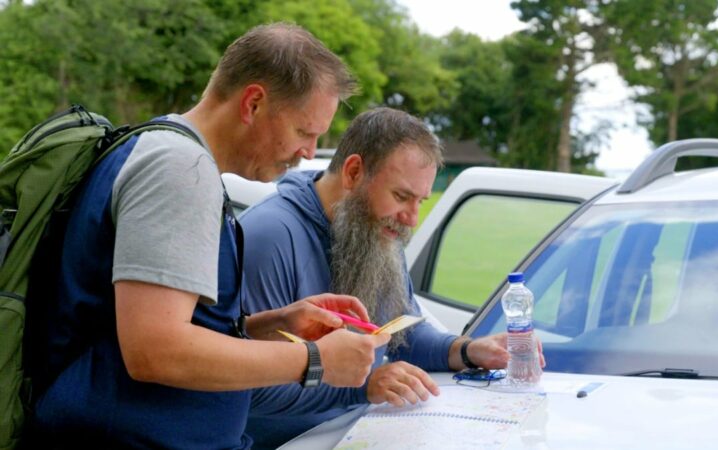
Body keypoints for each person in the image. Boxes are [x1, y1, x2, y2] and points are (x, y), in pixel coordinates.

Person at [31, 23, 390, 448]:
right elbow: (154, 350)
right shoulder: (180, 169)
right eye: (303, 132)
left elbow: (150, 325)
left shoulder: (166, 152)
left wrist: (273, 324)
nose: (309, 153)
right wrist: (312, 361)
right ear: (253, 102)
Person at [240, 107, 518, 448]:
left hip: (356, 431)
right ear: (354, 172)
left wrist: (469, 349)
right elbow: (243, 386)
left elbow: (401, 334)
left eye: (420, 201)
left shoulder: (376, 228)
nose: (412, 219)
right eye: (401, 196)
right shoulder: (268, 237)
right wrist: (364, 385)